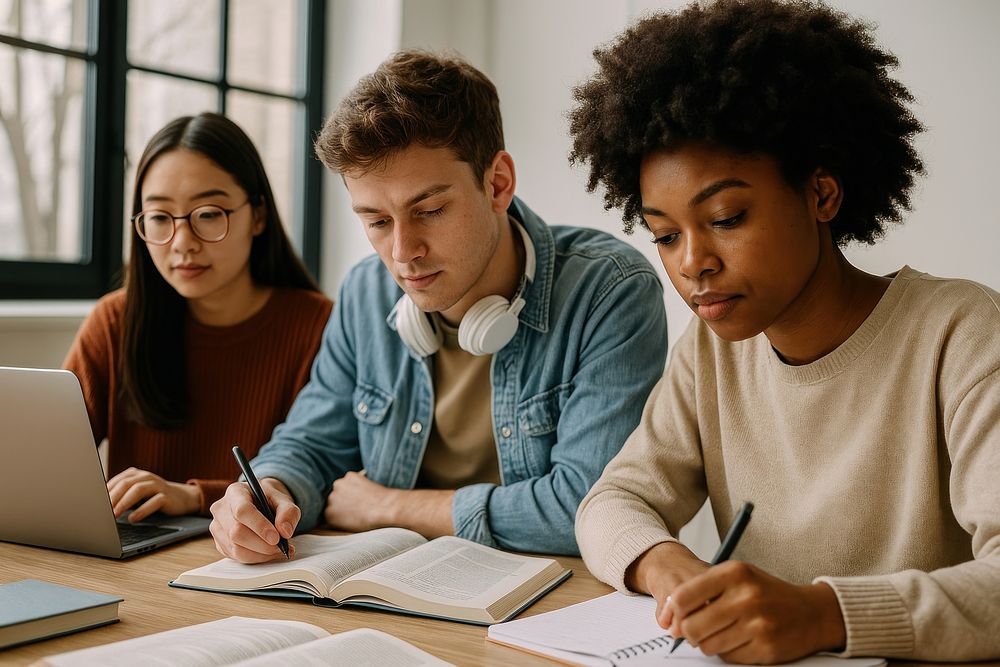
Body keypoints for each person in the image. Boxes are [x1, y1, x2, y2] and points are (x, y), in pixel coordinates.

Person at [569, 0, 999, 663]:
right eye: (664, 233)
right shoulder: (712, 350)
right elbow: (614, 499)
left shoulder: (960, 334)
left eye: (727, 216)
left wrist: (823, 613)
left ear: (822, 194)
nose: (693, 262)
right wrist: (665, 564)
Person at [208, 50, 667, 561]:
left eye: (428, 211)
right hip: (395, 595)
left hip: (547, 606)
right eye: (377, 222)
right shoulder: (364, 292)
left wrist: (390, 507)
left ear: (498, 184)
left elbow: (588, 507)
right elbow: (312, 443)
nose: (403, 253)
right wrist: (270, 490)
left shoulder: (609, 291)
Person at [64, 112, 332, 523]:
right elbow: (50, 464)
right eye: (159, 218)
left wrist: (193, 496)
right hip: (130, 557)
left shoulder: (319, 326)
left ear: (257, 215)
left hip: (255, 562)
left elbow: (325, 479)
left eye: (208, 214)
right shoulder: (115, 321)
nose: (183, 243)